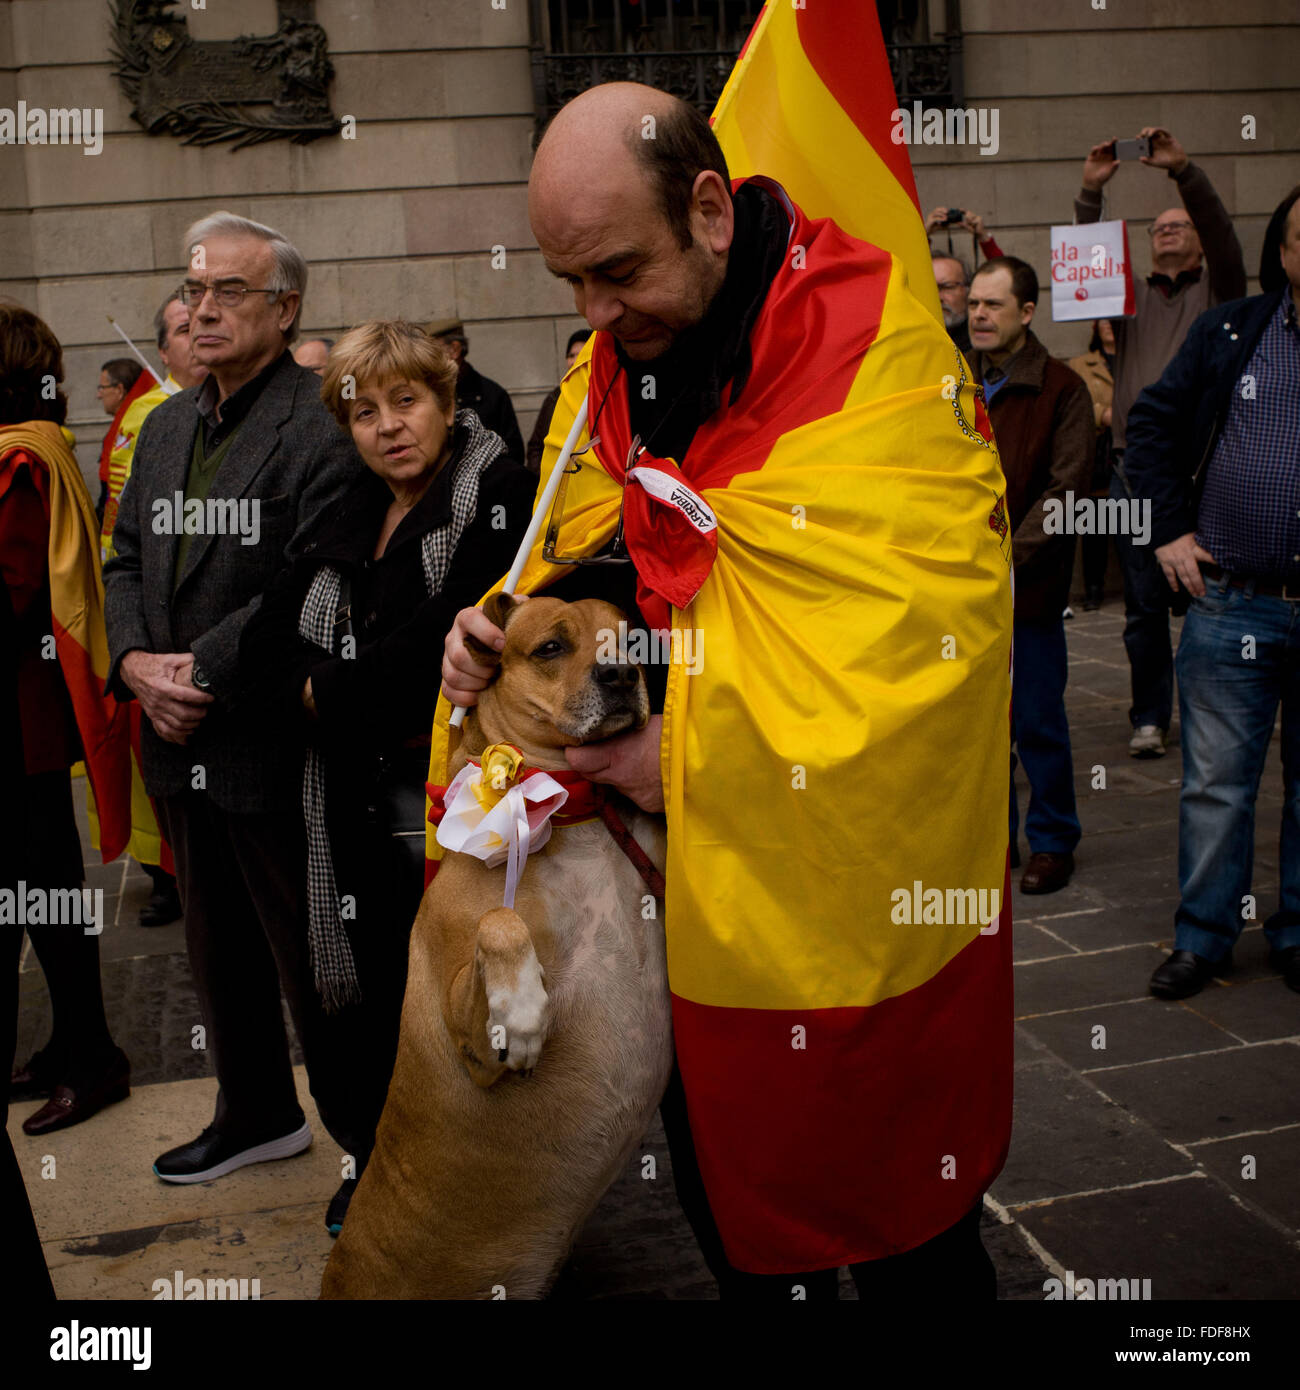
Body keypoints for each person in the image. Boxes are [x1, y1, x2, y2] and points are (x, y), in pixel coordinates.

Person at [439, 83, 1012, 1299]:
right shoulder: (611, 364)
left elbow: (929, 650)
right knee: (731, 1180)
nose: (594, 316)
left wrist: (686, 751)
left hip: (857, 899)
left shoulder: (878, 351)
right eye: (569, 286)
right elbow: (591, 551)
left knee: (904, 1211)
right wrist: (501, 626)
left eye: (615, 272)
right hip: (694, 902)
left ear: (708, 209)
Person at [241, 321, 534, 1232]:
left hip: (444, 799)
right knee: (359, 1002)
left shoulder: (494, 498)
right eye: (362, 412)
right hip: (346, 802)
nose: (387, 428)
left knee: (445, 998)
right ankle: (373, 1158)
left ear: (448, 402)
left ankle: (467, 1185)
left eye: (406, 403)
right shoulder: (347, 509)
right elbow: (261, 645)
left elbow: (435, 647)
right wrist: (318, 692)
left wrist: (319, 694)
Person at [103, 212, 360, 1197]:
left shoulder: (323, 418)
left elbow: (310, 580)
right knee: (215, 945)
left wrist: (195, 673)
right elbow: (126, 556)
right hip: (176, 741)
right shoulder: (168, 423)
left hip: (271, 737)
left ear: (287, 306)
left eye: (230, 293)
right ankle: (255, 1114)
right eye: (194, 290)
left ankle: (367, 1144)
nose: (202, 309)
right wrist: (133, 660)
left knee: (315, 957)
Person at [1124, 187, 1300, 1001]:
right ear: (1285, 255)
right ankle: (1204, 938)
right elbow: (1151, 426)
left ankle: (1295, 932)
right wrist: (1166, 530)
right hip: (1232, 601)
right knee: (1216, 784)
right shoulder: (1232, 331)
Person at [1, 302, 131, 1135]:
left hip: (19, 727)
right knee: (35, 894)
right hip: (23, 721)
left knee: (43, 894)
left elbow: (15, 599)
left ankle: (93, 1060)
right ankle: (71, 1048)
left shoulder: (19, 462)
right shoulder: (33, 448)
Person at [1075, 125, 1246, 758]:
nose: (1167, 229)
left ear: (1198, 239)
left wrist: (1184, 173)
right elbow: (1087, 261)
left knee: (1211, 597)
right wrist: (1092, 192)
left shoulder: (1220, 295)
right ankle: (1149, 715)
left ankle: (1217, 711)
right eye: (1157, 227)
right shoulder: (1122, 297)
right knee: (1143, 604)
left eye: (1180, 224)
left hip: (1208, 468)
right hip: (1132, 470)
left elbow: (1228, 243)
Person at [968, 258, 1093, 894]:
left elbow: (1066, 489)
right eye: (973, 304)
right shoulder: (951, 380)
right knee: (977, 727)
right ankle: (994, 840)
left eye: (993, 305)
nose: (979, 315)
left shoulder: (1063, 390)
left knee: (1037, 722)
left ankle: (1052, 841)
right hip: (959, 595)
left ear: (1026, 313)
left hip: (1028, 592)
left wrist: (1002, 560)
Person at [102, 293, 209, 930]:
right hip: (162, 656)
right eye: (181, 327)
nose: (198, 333)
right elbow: (127, 547)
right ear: (164, 349)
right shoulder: (153, 419)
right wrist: (133, 653)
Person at [424, 317, 524, 463]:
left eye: (433, 351)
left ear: (454, 350)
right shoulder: (428, 394)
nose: (427, 360)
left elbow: (513, 455)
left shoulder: (493, 395)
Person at [1067, 319, 1117, 610]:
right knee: (1095, 523)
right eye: (1104, 320)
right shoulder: (1081, 364)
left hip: (1129, 452)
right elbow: (1077, 403)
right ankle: (1094, 589)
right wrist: (1102, 414)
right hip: (1099, 453)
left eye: (1115, 320)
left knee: (1133, 523)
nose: (1109, 326)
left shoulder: (1136, 356)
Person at [525, 328, 593, 472]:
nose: (574, 360)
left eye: (581, 355)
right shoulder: (554, 398)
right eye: (571, 355)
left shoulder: (603, 395)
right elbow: (536, 446)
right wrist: (540, 477)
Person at [94, 358, 149, 523]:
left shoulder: (133, 427)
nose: (98, 395)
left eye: (102, 388)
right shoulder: (125, 424)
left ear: (119, 390)